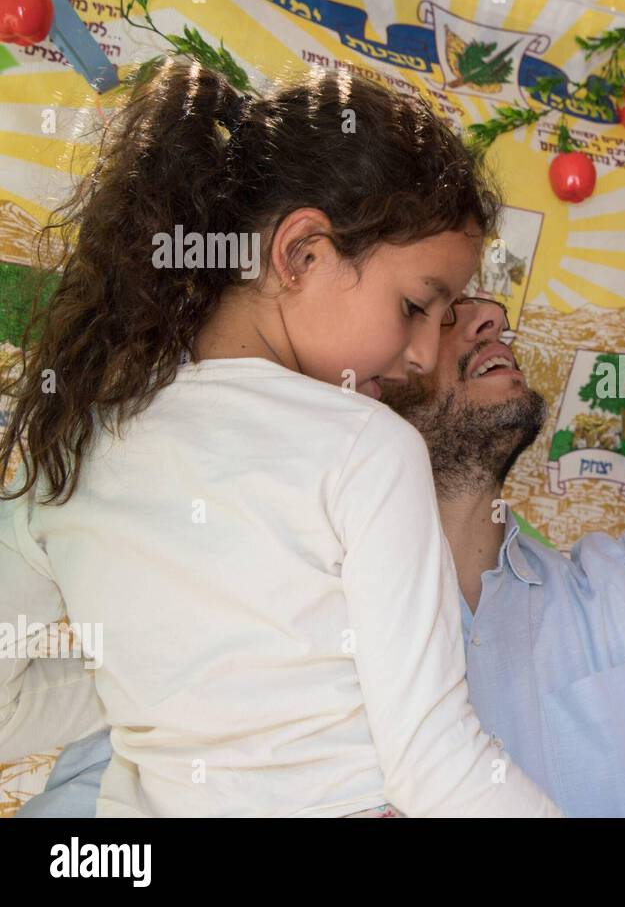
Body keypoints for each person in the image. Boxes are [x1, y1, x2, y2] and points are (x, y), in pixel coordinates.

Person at [0, 59, 559, 817]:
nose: (425, 353)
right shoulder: (366, 448)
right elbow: (435, 766)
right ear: (302, 254)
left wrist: (152, 685)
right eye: (416, 306)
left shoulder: (70, 440)